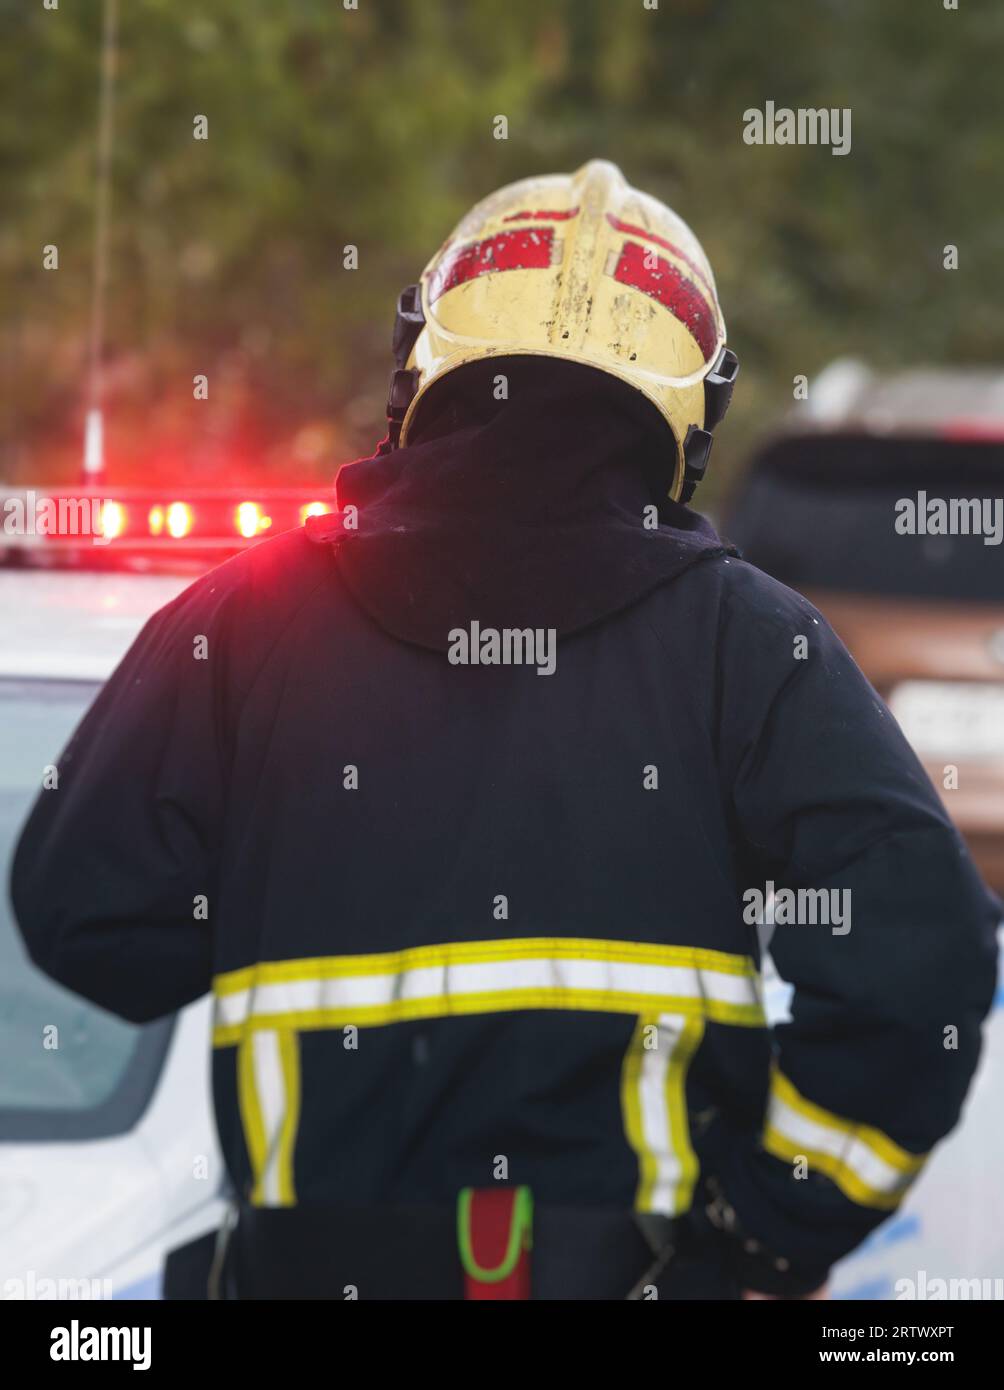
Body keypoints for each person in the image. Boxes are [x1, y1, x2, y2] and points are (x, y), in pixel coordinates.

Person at [11, 160, 998, 1300]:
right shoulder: (746, 641)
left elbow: (82, 916)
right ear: (687, 410)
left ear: (425, 362)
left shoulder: (246, 620)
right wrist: (766, 1231)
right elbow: (920, 962)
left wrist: (286, 886)